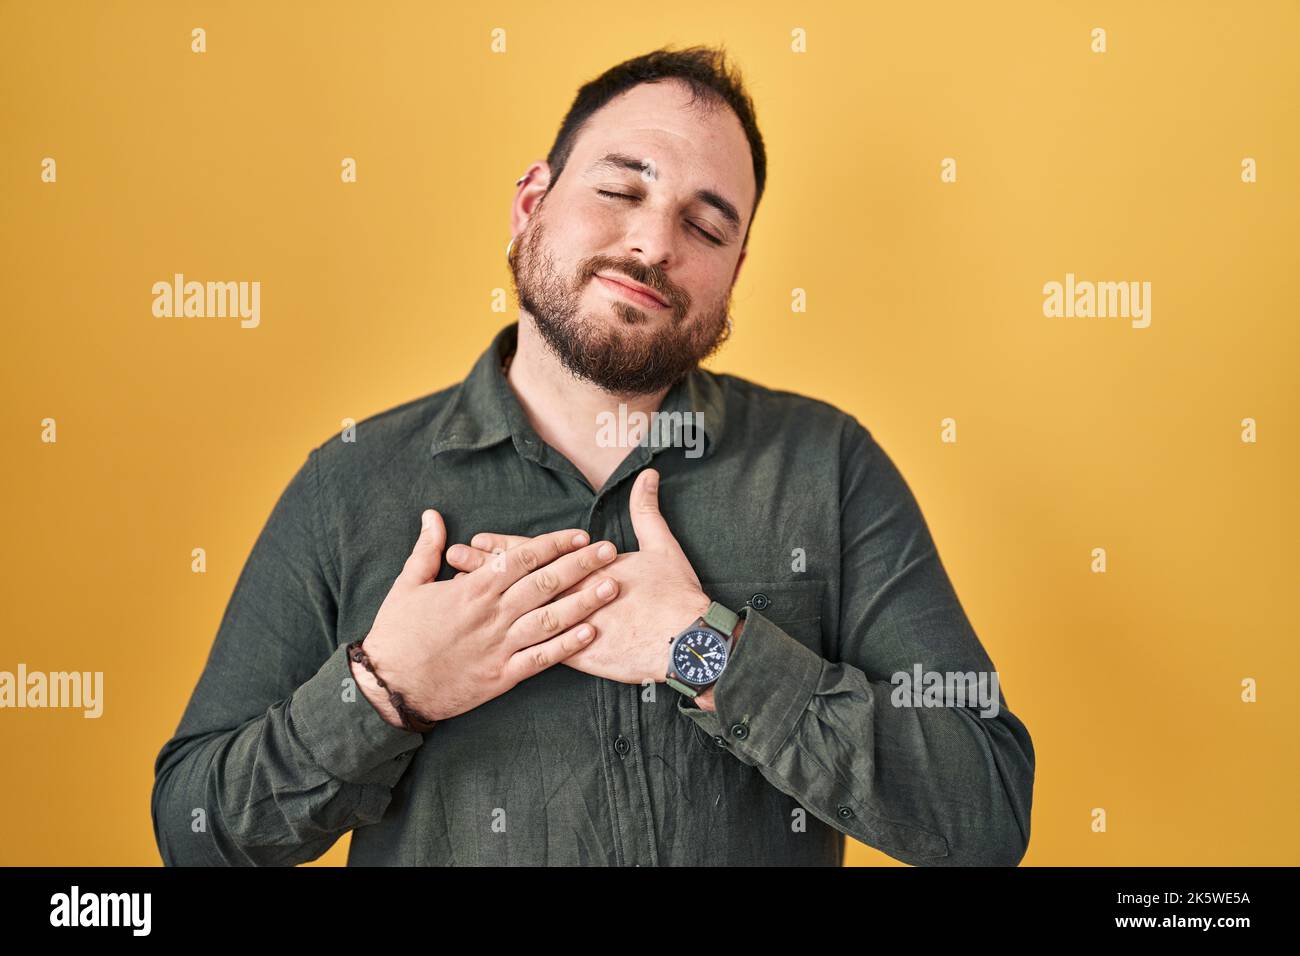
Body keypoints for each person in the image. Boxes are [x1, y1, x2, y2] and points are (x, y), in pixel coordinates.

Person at [152, 44, 1034, 866]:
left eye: (708, 225)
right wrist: (387, 692)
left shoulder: (826, 465)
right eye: (621, 191)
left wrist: (707, 651)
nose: (655, 245)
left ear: (735, 269)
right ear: (532, 204)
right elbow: (193, 826)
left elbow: (985, 807)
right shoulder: (350, 482)